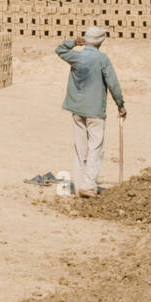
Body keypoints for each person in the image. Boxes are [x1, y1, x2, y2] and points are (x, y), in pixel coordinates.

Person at [55, 26, 126, 198]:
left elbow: (60, 50)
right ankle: (88, 185)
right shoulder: (102, 59)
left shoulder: (76, 56)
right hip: (95, 111)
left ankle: (80, 187)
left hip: (77, 109)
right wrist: (120, 105)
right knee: (96, 147)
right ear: (101, 42)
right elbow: (113, 84)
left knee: (80, 149)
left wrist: (73, 42)